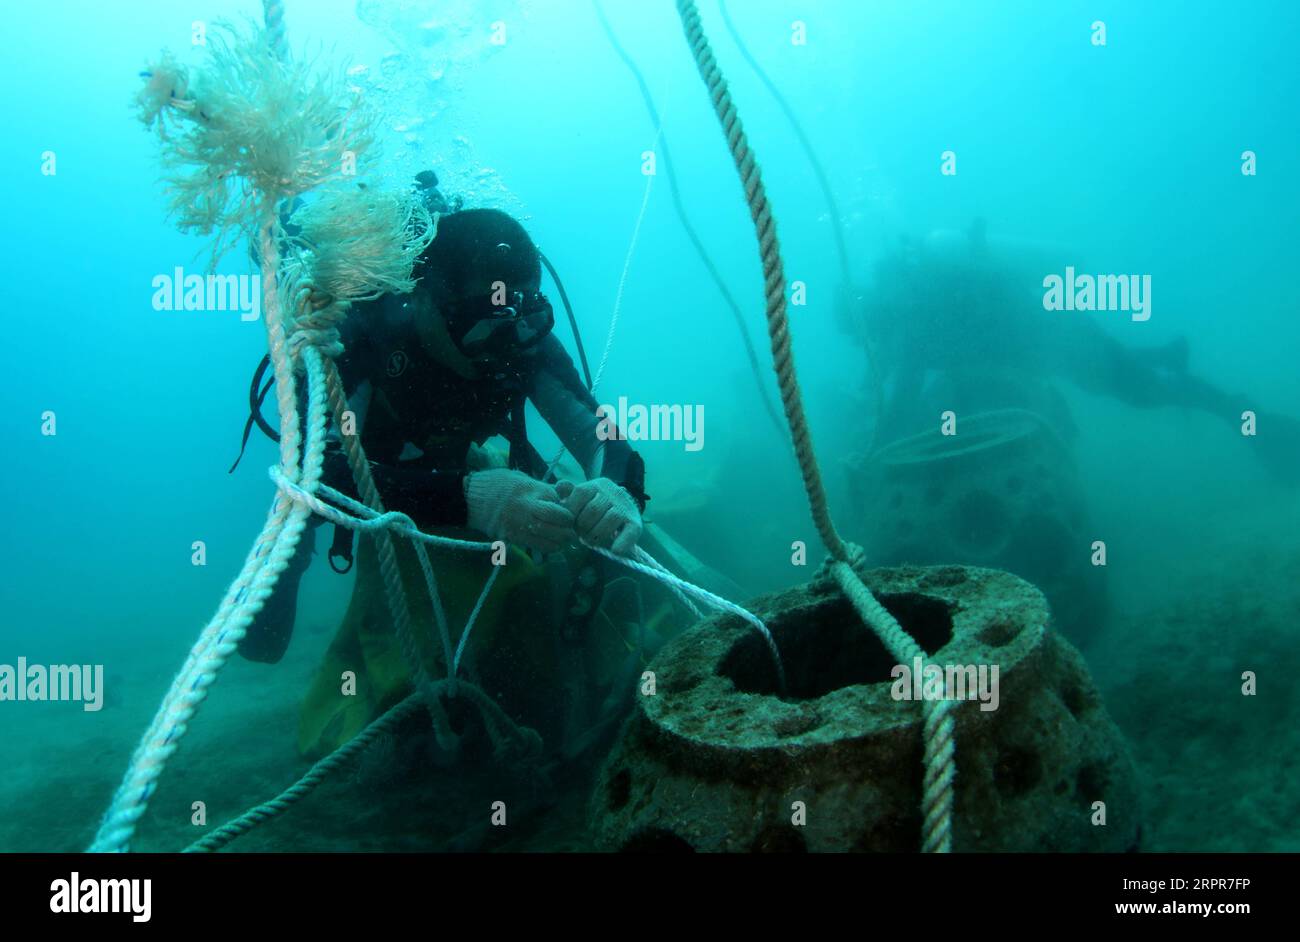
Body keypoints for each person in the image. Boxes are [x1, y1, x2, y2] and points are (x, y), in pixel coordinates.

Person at [240, 198, 660, 758]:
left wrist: (619, 493)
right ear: (424, 301)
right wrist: (469, 499)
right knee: (289, 547)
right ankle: (289, 575)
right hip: (380, 470)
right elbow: (317, 477)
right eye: (477, 330)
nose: (498, 349)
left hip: (452, 472)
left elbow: (603, 440)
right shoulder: (364, 333)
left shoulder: (519, 336)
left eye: (515, 323)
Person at [847, 221, 1300, 482]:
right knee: (1123, 376)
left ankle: (1247, 418)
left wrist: (873, 454)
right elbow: (894, 378)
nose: (869, 346)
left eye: (862, 335)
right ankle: (1165, 359)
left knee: (1137, 390)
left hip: (1052, 336)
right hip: (1053, 329)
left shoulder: (909, 319)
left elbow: (904, 391)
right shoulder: (913, 307)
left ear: (870, 318)